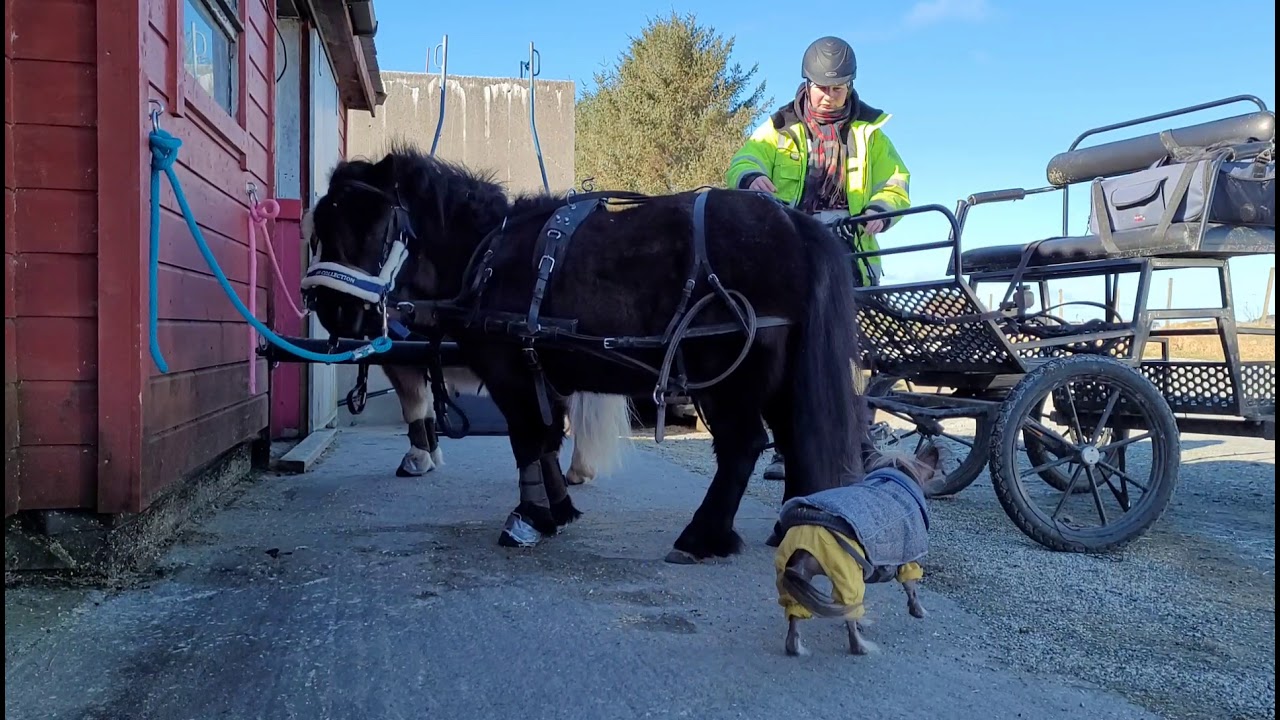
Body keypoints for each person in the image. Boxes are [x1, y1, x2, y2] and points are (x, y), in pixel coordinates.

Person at [725, 35, 911, 482]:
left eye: (839, 88)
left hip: (849, 248)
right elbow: (743, 159)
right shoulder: (776, 128)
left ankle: (852, 439)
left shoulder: (871, 133)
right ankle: (785, 445)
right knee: (782, 347)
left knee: (846, 354)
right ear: (806, 84)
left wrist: (882, 211)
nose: (830, 96)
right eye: (823, 87)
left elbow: (897, 182)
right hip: (793, 245)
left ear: (851, 86)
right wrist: (750, 178)